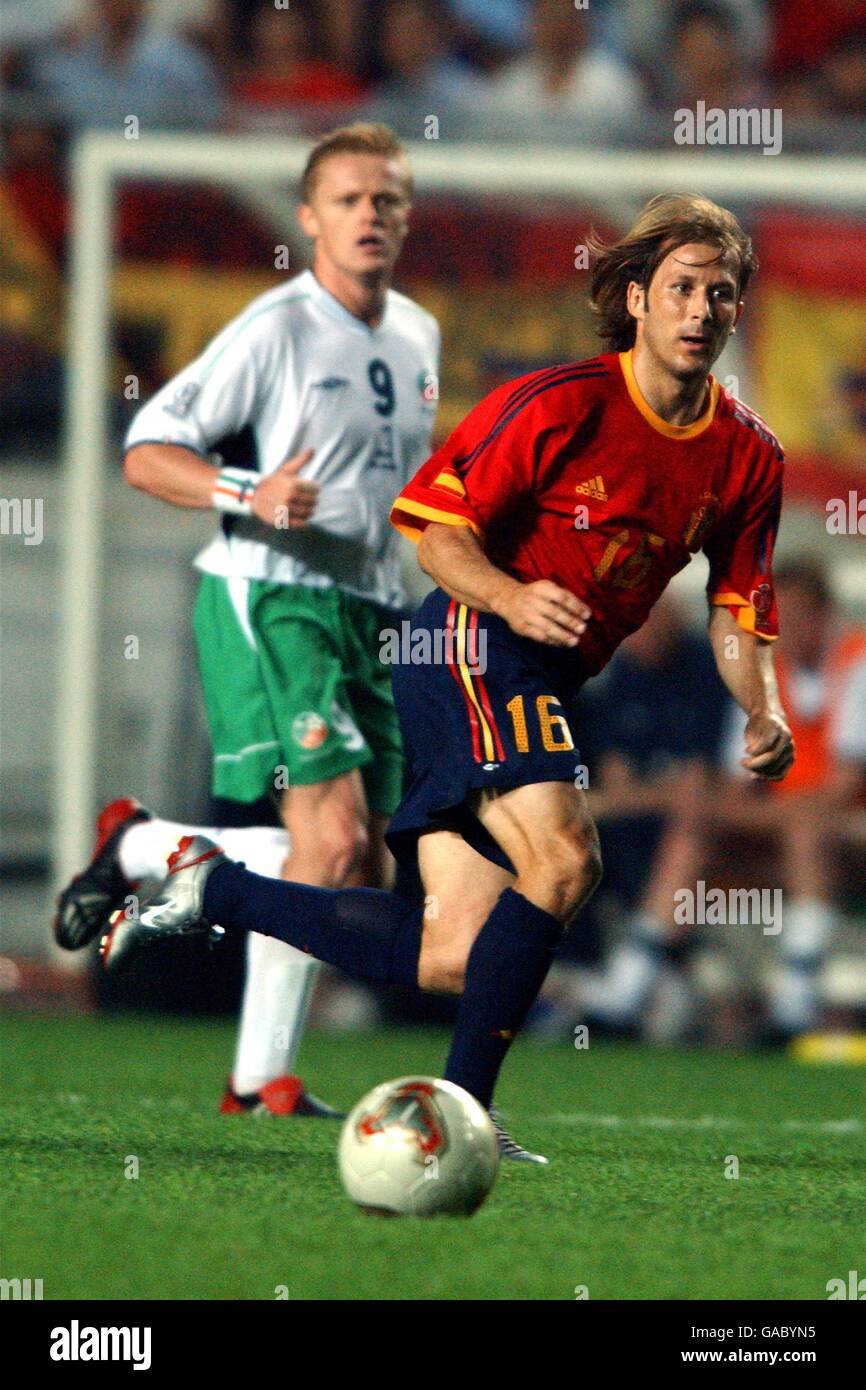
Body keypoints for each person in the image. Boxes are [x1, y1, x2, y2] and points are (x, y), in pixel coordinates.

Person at [100, 193, 795, 1163]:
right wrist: (511, 599)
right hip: (468, 646)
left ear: (735, 313)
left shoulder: (746, 456)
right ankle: (461, 1115)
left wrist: (758, 705)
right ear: (634, 297)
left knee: (450, 953)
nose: (698, 309)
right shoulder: (559, 404)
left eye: (719, 293)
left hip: (544, 679)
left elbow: (738, 608)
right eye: (679, 287)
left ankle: (212, 892)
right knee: (564, 859)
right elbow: (432, 529)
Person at [55, 122, 440, 1117]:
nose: (369, 215)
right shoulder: (278, 326)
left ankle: (144, 846)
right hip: (269, 594)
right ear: (309, 217)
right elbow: (147, 445)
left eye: (385, 200)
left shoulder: (418, 334)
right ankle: (263, 1079)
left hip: (369, 607)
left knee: (363, 858)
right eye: (349, 199)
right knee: (333, 831)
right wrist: (246, 488)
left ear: (405, 216)